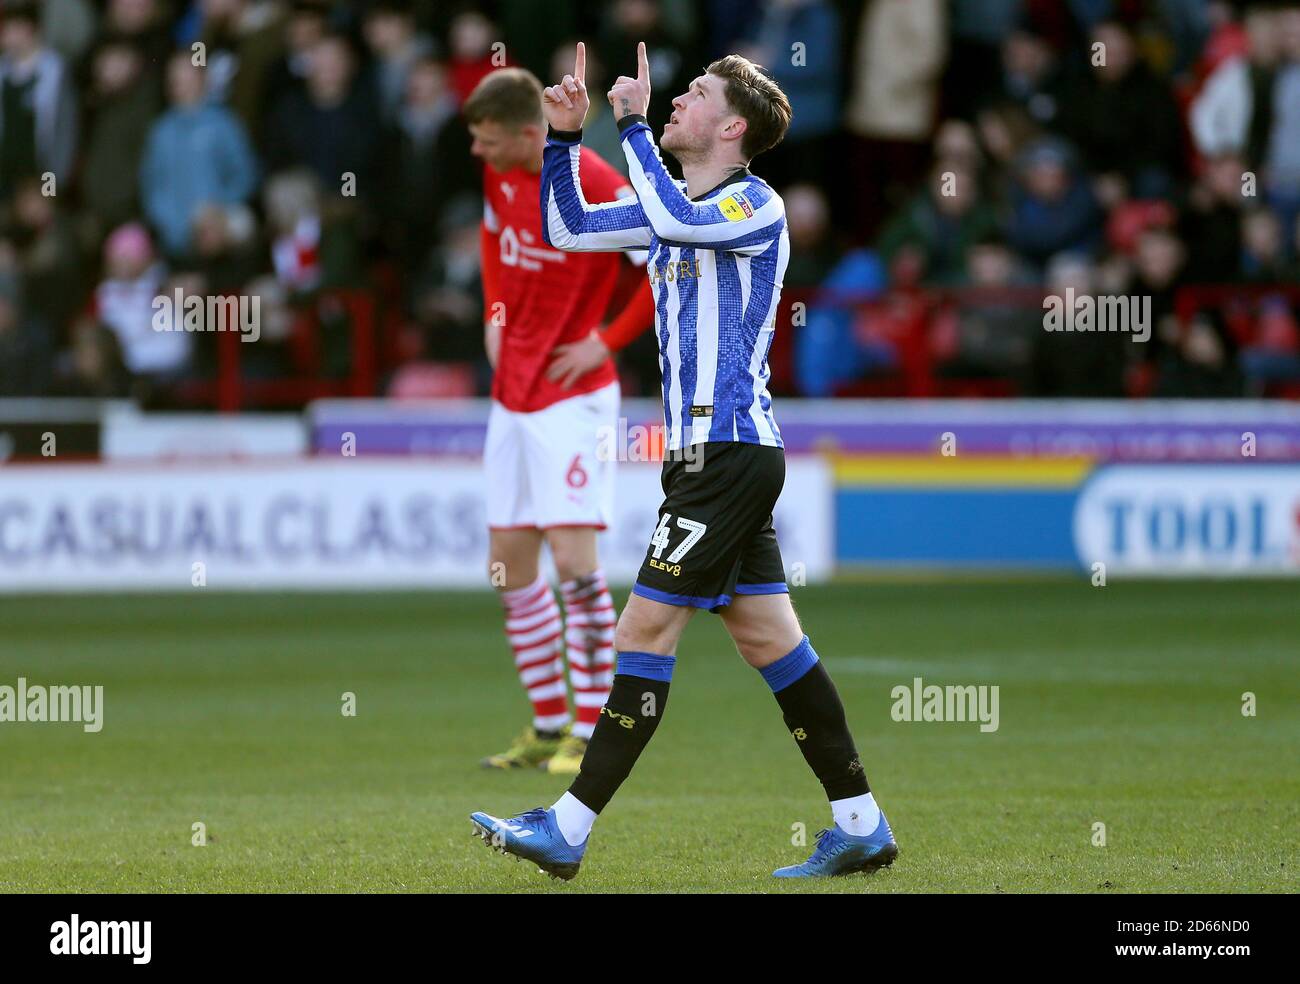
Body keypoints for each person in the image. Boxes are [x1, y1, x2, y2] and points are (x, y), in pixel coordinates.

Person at [471, 43, 897, 880]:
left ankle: (567, 827)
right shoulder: (675, 202)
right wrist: (565, 140)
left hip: (730, 455)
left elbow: (672, 222)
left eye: (693, 95)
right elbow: (571, 228)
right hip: (704, 459)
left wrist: (625, 122)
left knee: (644, 628)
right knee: (772, 641)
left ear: (731, 126)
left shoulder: (751, 205)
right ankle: (861, 822)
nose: (673, 103)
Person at [463, 66, 655, 776]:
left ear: (525, 133)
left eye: (487, 141)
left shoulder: (599, 182)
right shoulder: (500, 176)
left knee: (576, 566)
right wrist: (493, 313)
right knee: (509, 568)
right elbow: (492, 240)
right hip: (511, 390)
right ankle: (547, 724)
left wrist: (606, 340)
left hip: (573, 397)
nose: (478, 154)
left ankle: (590, 728)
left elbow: (660, 264)